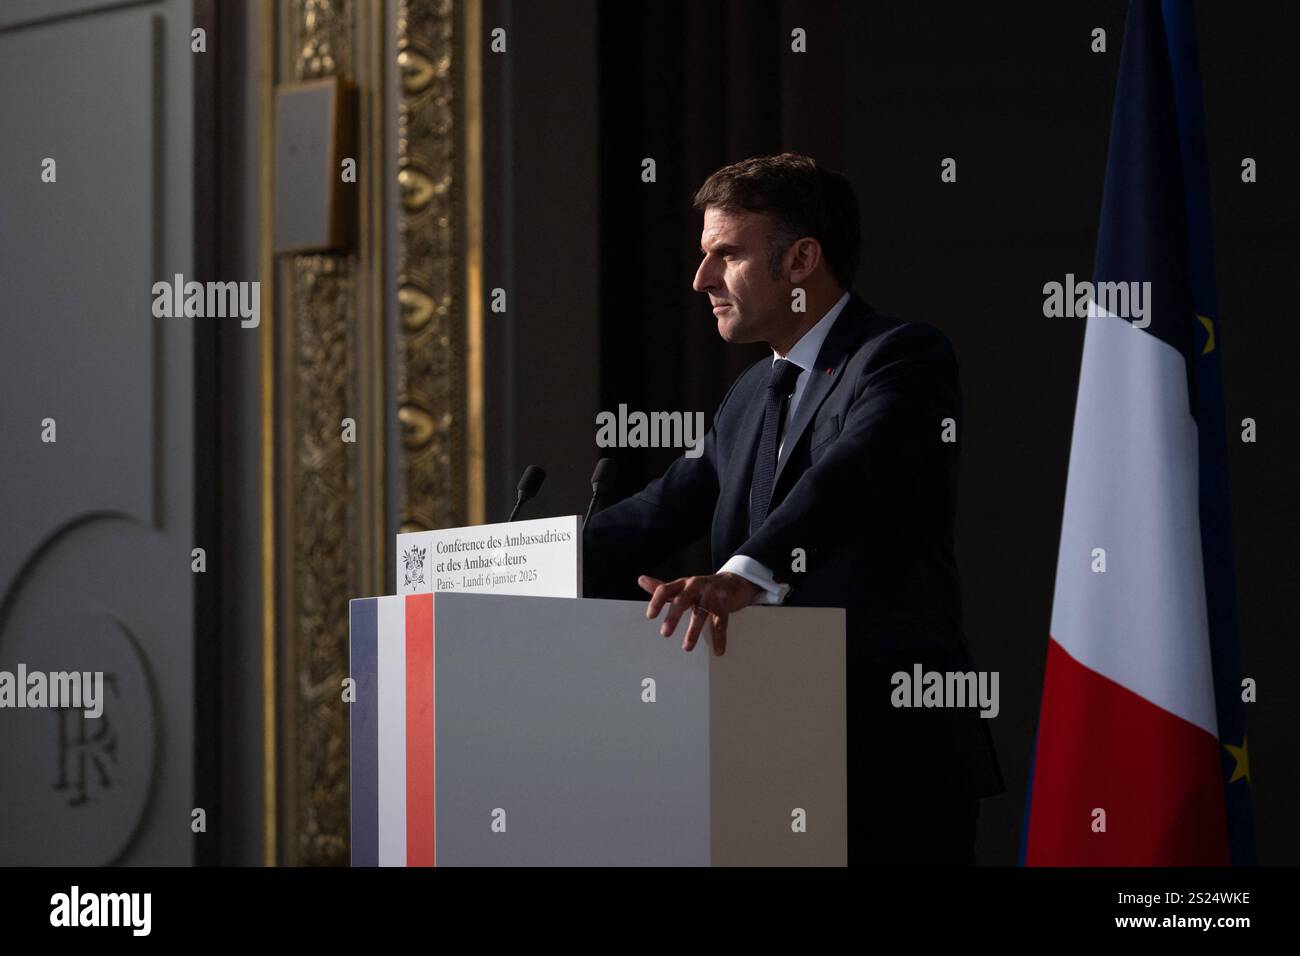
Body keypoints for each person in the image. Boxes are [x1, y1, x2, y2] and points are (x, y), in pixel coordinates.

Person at [583, 152, 1004, 865]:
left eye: (727, 254)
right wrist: (505, 562)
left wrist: (744, 573)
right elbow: (657, 514)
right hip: (764, 755)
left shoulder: (900, 357)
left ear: (802, 258)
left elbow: (848, 478)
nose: (701, 279)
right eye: (702, 256)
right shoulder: (748, 396)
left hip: (889, 755)